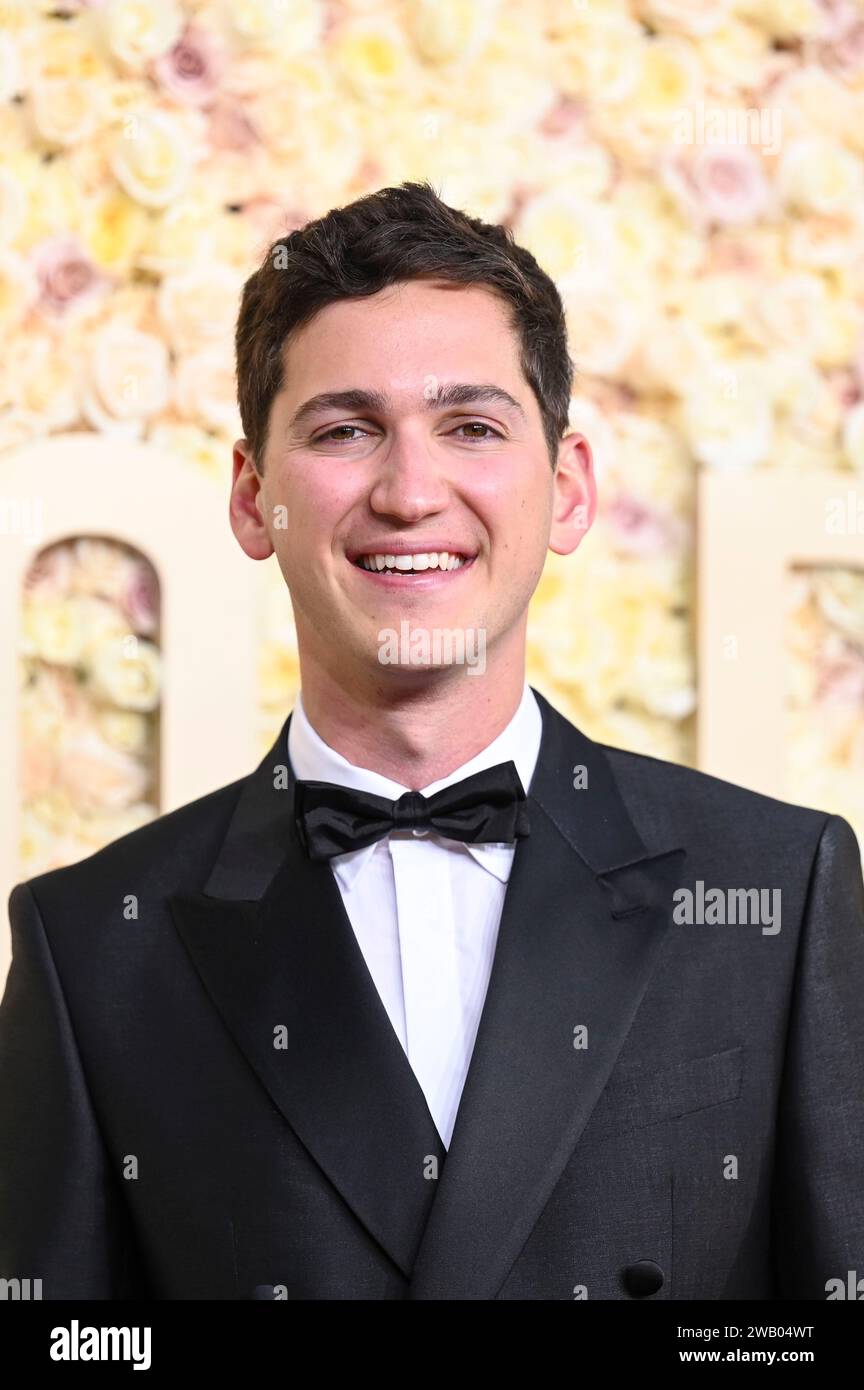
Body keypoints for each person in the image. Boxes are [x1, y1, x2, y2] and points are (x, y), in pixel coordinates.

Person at [1, 181, 863, 1301]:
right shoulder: (89, 950)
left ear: (567, 488)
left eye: (470, 426)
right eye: (347, 429)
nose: (411, 492)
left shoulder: (780, 890)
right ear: (253, 495)